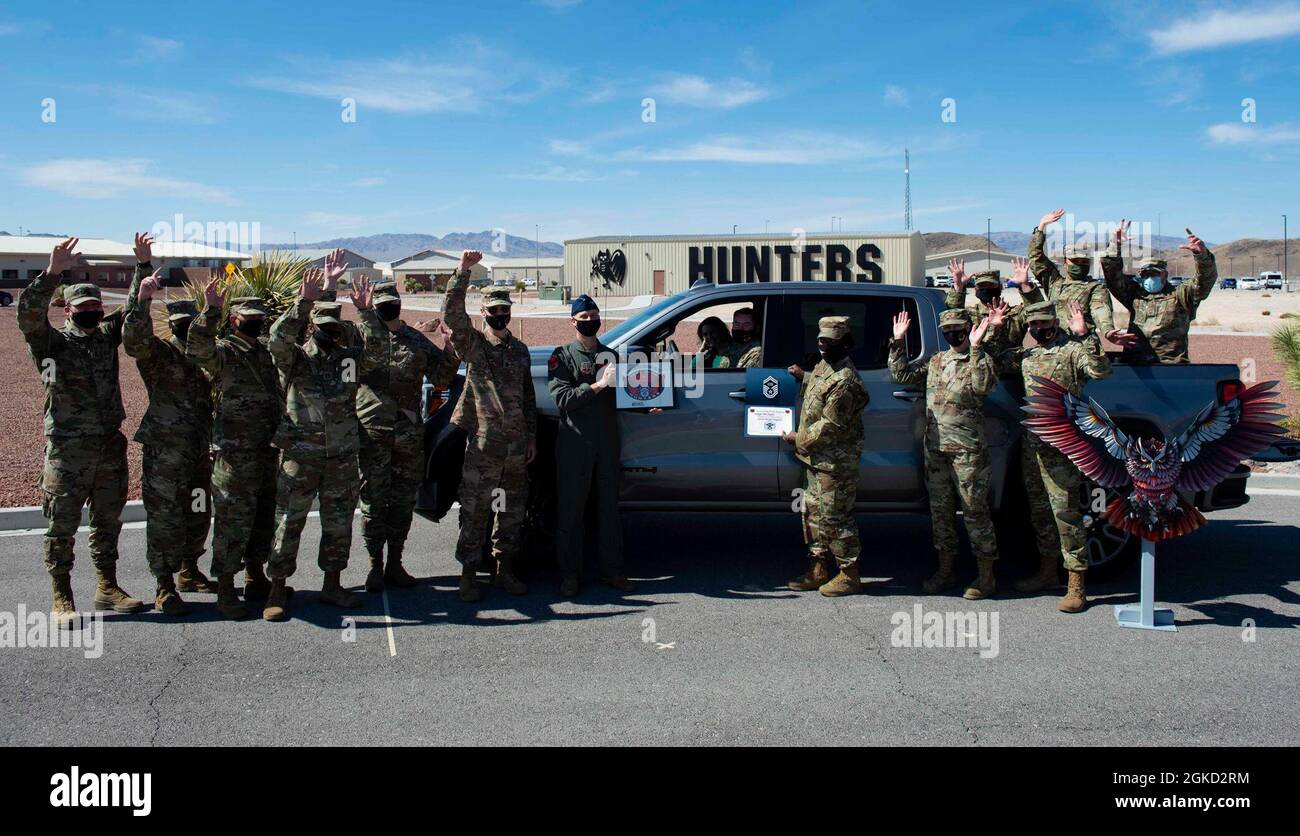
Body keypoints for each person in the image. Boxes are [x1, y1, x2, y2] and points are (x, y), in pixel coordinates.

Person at [19, 237, 143, 626]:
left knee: (108, 520)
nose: (91, 311)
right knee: (62, 525)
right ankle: (62, 595)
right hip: (67, 451)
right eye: (83, 307)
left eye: (96, 306)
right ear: (68, 309)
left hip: (109, 446)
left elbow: (135, 310)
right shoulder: (50, 343)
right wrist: (51, 273)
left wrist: (142, 267)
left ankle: (107, 586)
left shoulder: (107, 337)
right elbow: (28, 316)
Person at [262, 270, 384, 621]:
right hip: (302, 456)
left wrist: (367, 313)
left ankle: (332, 585)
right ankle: (277, 587)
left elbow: (377, 352)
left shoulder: (347, 360)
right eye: (324, 326)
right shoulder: (296, 358)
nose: (331, 332)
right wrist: (304, 303)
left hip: (342, 457)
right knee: (289, 522)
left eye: (335, 326)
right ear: (313, 325)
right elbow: (277, 339)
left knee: (338, 523)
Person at [987, 299, 1112, 613]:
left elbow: (1101, 370)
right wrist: (997, 330)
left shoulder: (1071, 352)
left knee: (1067, 514)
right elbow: (993, 359)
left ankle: (1076, 583)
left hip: (1063, 447)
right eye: (1034, 325)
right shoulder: (1027, 356)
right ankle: (1046, 571)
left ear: (1056, 323)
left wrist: (1085, 335)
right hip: (1034, 446)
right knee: (1040, 511)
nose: (1039, 329)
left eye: (1044, 324)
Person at [122, 235, 216, 615]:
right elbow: (133, 337)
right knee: (164, 516)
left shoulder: (207, 355)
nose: (182, 329)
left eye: (188, 323)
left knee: (198, 510)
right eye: (177, 324)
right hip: (165, 450)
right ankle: (164, 585)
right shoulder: (157, 355)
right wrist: (142, 292)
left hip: (198, 448)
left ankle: (189, 569)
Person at [355, 277, 460, 593]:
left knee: (402, 501)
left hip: (408, 435)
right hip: (373, 432)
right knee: (374, 500)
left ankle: (395, 563)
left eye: (392, 301)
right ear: (374, 308)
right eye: (382, 303)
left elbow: (441, 377)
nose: (389, 307)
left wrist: (451, 349)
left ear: (400, 303)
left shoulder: (415, 340)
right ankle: (374, 565)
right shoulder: (362, 339)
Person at [888, 307, 1001, 599]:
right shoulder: (937, 361)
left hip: (967, 451)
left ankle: (986, 576)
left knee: (975, 512)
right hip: (936, 449)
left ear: (968, 328)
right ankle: (946, 571)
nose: (953, 333)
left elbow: (983, 386)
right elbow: (901, 374)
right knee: (941, 514)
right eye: (947, 329)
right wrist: (898, 342)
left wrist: (976, 348)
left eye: (958, 328)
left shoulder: (981, 360)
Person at [444, 250, 538, 602]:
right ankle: (468, 574)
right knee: (476, 509)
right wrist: (462, 272)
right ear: (483, 313)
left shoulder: (520, 351)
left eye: (505, 310)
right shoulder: (474, 346)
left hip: (515, 447)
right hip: (484, 446)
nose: (501, 316)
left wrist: (531, 437)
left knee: (511, 510)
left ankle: (504, 570)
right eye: (494, 311)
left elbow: (528, 397)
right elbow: (452, 316)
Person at [188, 283, 284, 619]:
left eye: (260, 318)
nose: (256, 323)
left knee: (262, 517)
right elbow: (197, 348)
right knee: (232, 521)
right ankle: (226, 589)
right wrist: (210, 309)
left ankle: (254, 574)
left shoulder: (265, 353)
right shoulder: (225, 351)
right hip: (234, 453)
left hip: (266, 451)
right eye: (249, 318)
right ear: (234, 320)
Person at [547, 294, 634, 597]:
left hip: (607, 443)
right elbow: (563, 399)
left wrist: (646, 405)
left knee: (609, 508)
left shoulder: (611, 356)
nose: (589, 321)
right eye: (583, 317)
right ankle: (570, 574)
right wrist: (598, 384)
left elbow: (624, 396)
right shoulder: (562, 356)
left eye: (593, 315)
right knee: (572, 510)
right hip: (575, 443)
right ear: (573, 321)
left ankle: (613, 571)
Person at [782, 316, 870, 596]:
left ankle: (849, 574)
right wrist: (803, 377)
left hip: (835, 461)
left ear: (845, 343)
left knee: (836, 517)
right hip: (816, 459)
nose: (824, 347)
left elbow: (830, 426)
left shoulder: (846, 380)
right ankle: (818, 568)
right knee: (813, 514)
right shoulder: (825, 365)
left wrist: (797, 438)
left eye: (831, 342)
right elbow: (820, 385)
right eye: (821, 341)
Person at [1102, 222, 1217, 364]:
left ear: (1165, 275)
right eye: (1145, 274)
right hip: (1136, 366)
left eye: (1154, 274)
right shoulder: (1135, 294)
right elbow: (1112, 276)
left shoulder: (1181, 295)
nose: (1149, 277)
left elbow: (1204, 281)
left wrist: (1202, 256)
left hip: (1171, 366)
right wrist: (1115, 246)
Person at [1029, 208, 1135, 348]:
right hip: (1055, 346)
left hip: (1083, 346)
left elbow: (1100, 309)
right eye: (1075, 261)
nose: (1080, 265)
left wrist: (1107, 330)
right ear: (1065, 262)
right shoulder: (1055, 282)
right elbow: (1036, 259)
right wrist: (1041, 227)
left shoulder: (1095, 287)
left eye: (1084, 262)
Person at [945, 256, 1043, 344]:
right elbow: (952, 316)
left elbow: (1039, 311)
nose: (987, 288)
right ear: (975, 290)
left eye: (991, 285)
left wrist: (1024, 285)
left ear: (1000, 287)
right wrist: (959, 287)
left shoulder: (1014, 313)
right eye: (982, 285)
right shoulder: (970, 314)